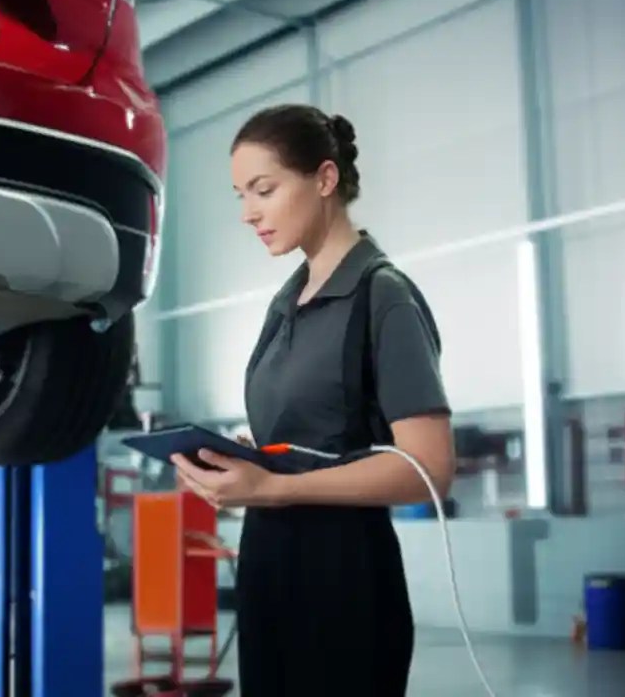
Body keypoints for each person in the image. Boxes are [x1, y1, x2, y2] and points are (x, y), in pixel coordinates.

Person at [170, 104, 456, 696]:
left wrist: (273, 488)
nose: (248, 213)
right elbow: (301, 439)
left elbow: (428, 468)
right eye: (241, 196)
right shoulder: (285, 305)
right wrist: (241, 462)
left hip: (344, 582)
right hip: (268, 572)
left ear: (325, 179)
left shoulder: (383, 298)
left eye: (264, 190)